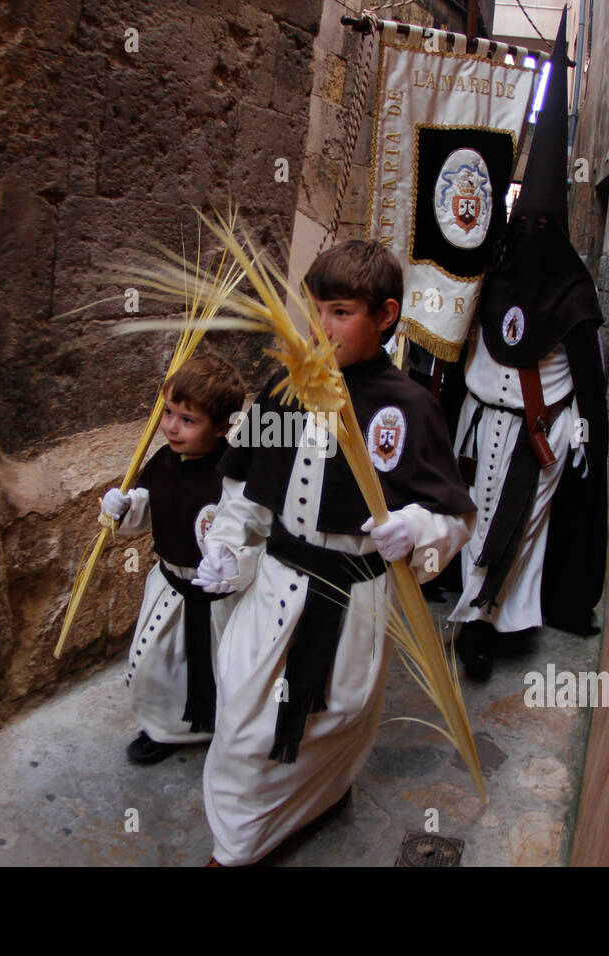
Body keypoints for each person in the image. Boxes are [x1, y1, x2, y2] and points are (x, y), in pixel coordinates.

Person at [193, 241, 476, 866]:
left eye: (342, 311)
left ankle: (317, 800)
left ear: (386, 314)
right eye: (317, 308)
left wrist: (418, 529)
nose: (322, 327)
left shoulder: (410, 407)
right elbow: (242, 494)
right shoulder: (283, 388)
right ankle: (235, 847)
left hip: (354, 602)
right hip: (277, 585)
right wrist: (224, 551)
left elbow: (456, 518)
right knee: (241, 720)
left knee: (335, 722)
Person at [449, 10, 608, 681]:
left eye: (548, 222)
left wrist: (585, 441)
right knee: (475, 516)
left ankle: (494, 619)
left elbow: (591, 378)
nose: (536, 231)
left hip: (543, 431)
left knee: (521, 529)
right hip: (482, 419)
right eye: (529, 221)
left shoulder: (573, 287)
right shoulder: (492, 269)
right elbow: (460, 340)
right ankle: (473, 609)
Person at [102, 353, 246, 765]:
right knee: (158, 662)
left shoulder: (231, 474)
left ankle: (221, 728)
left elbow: (248, 532)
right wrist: (123, 508)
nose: (171, 426)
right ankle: (166, 729)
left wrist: (232, 563)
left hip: (219, 599)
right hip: (170, 588)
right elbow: (147, 510)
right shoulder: (163, 462)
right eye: (168, 412)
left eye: (188, 419)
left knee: (224, 667)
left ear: (221, 426)